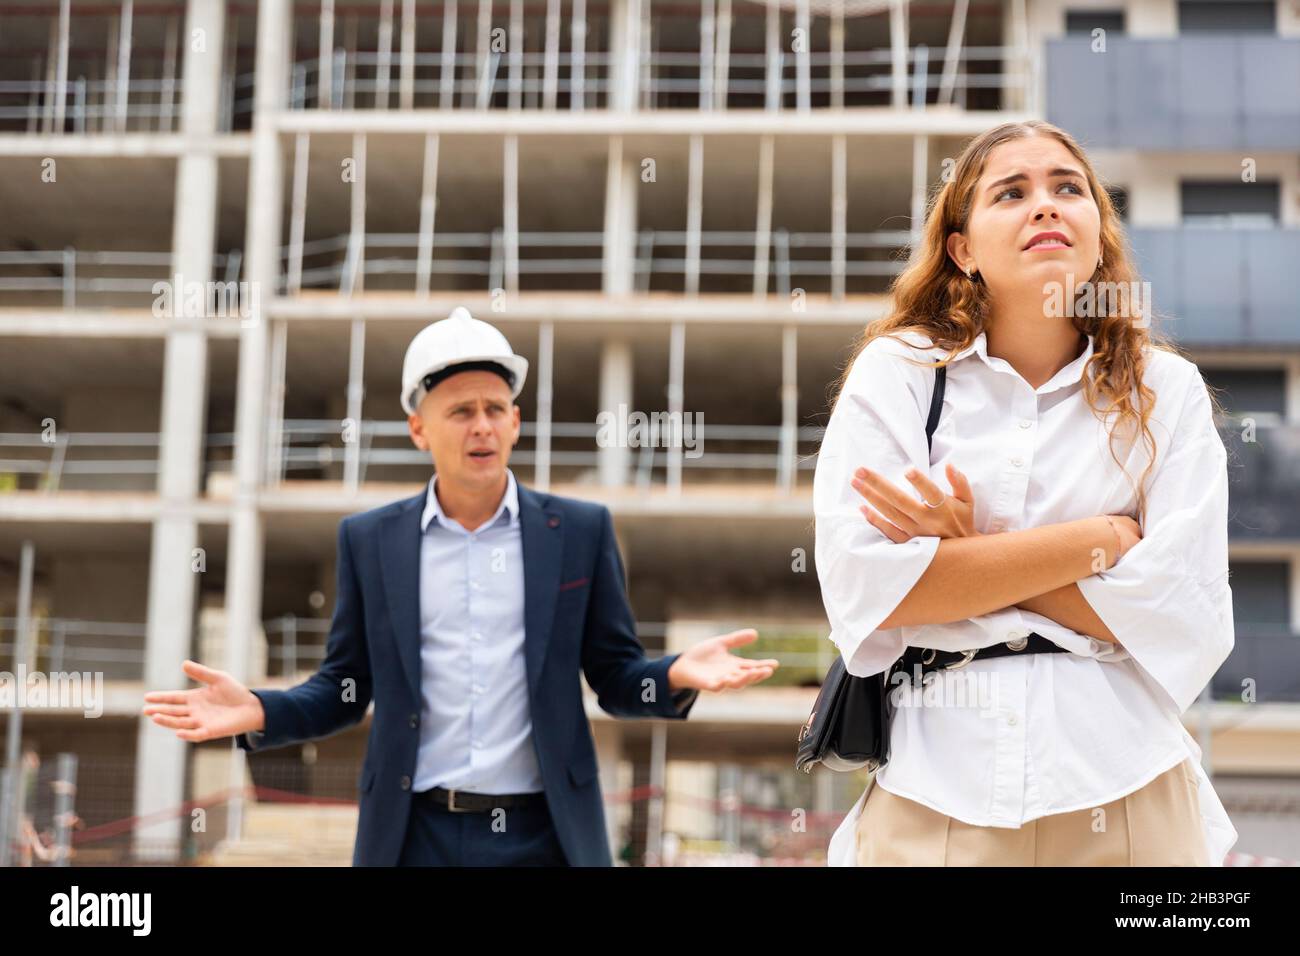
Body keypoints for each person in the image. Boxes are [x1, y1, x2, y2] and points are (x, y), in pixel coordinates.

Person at [143, 307, 778, 866]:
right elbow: (344, 687)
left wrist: (671, 676)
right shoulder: (370, 542)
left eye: (495, 410)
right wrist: (261, 710)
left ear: (515, 423)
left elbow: (613, 676)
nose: (482, 426)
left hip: (544, 834)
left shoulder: (579, 532)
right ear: (419, 428)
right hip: (415, 833)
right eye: (461, 411)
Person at [814, 120, 1237, 866]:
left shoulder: (1165, 390)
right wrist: (1097, 543)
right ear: (963, 250)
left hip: (1132, 792)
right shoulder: (900, 373)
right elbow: (866, 589)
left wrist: (962, 561)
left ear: (1099, 235)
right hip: (934, 795)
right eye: (1011, 192)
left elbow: (1186, 617)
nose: (1045, 205)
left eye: (1067, 188)